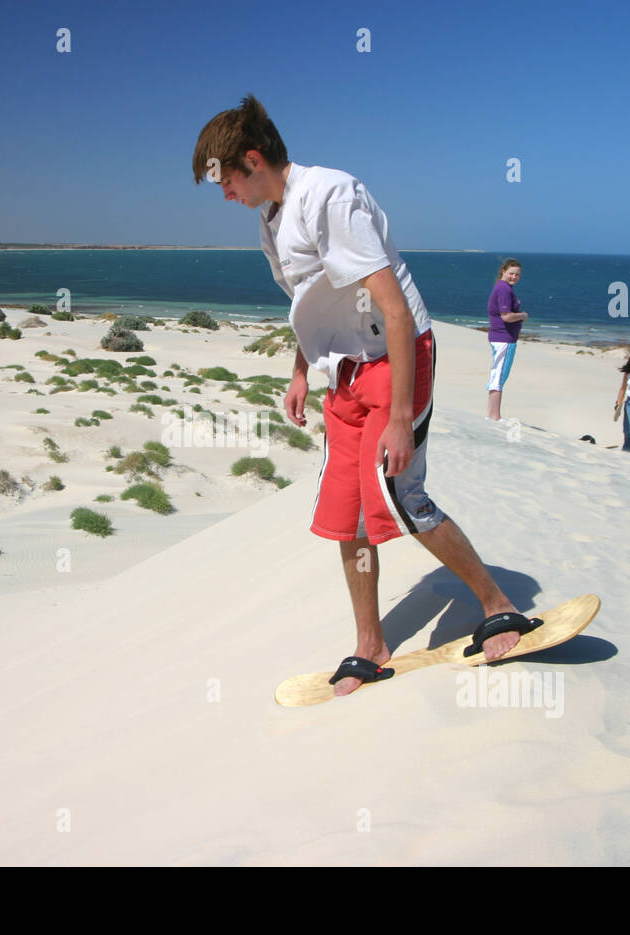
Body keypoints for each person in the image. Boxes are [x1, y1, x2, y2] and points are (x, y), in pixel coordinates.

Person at [192, 94, 542, 697]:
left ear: (253, 160)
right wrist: (301, 371)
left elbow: (394, 308)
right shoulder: (270, 220)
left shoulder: (329, 195)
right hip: (345, 372)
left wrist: (402, 415)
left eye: (225, 181)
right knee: (347, 512)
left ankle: (497, 604)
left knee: (399, 493)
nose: (224, 195)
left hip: (397, 360)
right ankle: (370, 645)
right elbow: (310, 303)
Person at [486, 259, 527, 420]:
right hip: (504, 338)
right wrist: (523, 316)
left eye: (517, 274)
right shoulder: (504, 290)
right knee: (499, 376)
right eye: (511, 273)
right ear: (503, 271)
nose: (514, 277)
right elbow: (506, 316)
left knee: (498, 374)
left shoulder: (503, 288)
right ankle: (494, 415)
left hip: (501, 337)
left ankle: (491, 414)